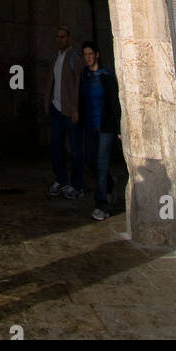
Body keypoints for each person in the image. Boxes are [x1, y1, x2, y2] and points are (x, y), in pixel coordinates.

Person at [78, 40, 122, 221]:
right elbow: (81, 98)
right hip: (90, 126)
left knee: (102, 164)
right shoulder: (85, 75)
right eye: (85, 55)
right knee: (90, 160)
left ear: (97, 55)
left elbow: (114, 103)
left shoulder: (106, 76)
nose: (88, 58)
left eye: (90, 54)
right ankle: (110, 184)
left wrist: (118, 128)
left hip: (105, 126)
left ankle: (102, 205)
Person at [47, 25, 84, 198]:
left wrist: (76, 108)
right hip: (56, 108)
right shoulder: (56, 57)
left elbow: (79, 83)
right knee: (56, 145)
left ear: (68, 39)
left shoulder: (74, 58)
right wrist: (46, 101)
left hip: (70, 110)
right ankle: (61, 179)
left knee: (76, 149)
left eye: (62, 37)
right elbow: (51, 80)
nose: (59, 40)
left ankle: (77, 185)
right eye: (57, 37)